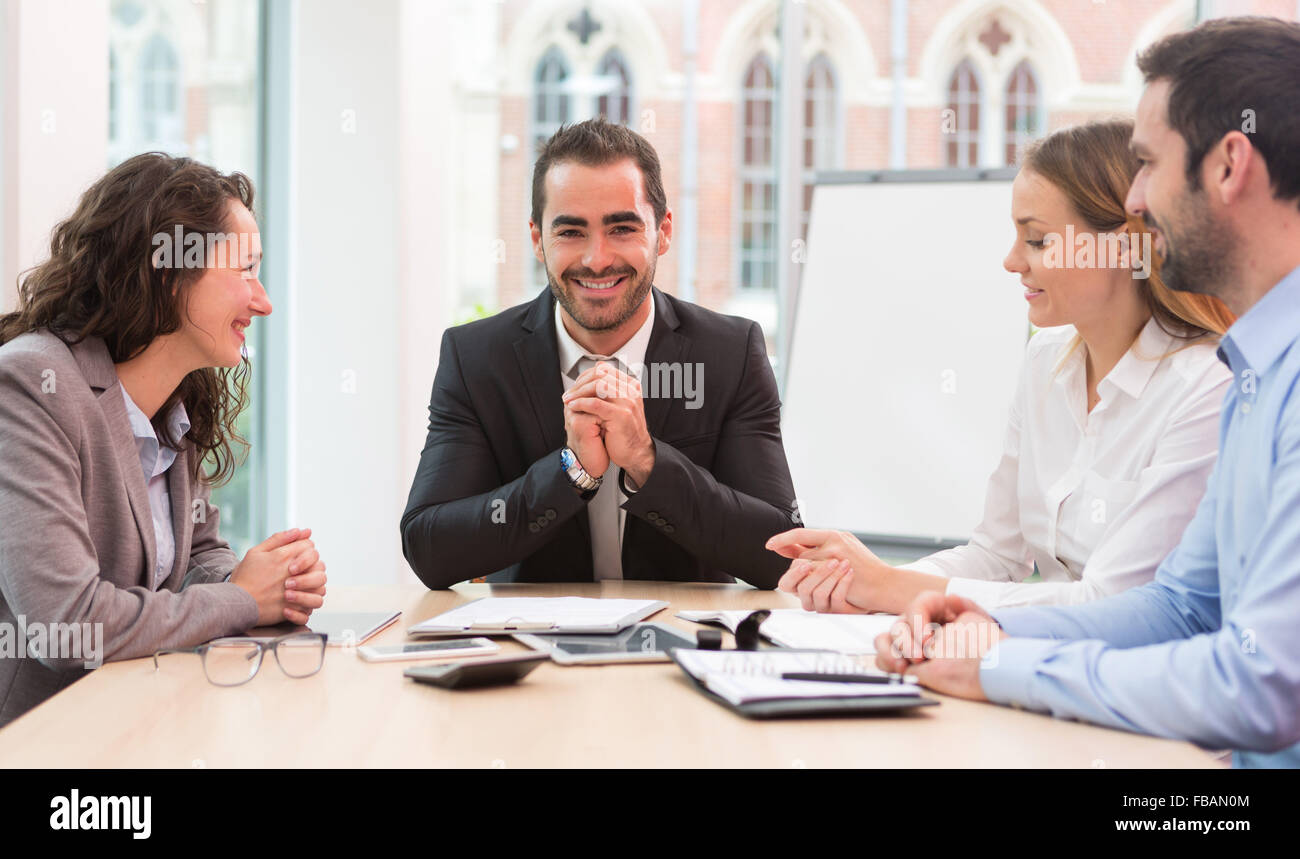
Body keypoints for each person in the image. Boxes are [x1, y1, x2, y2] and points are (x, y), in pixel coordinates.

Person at [874, 16, 1300, 769]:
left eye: (1146, 163)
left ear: (1230, 163)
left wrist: (1001, 667)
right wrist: (980, 627)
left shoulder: (1248, 377)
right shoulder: (1256, 370)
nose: (1135, 199)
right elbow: (1180, 607)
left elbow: (1264, 682)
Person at [768, 119, 1234, 614]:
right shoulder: (1045, 361)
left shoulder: (1205, 389)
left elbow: (1114, 602)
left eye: (1036, 240)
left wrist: (889, 587)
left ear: (1119, 246)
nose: (1012, 261)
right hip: (1038, 660)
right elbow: (995, 555)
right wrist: (865, 585)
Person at [0, 153, 327, 727]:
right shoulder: (31, 386)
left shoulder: (174, 398)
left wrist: (265, 578)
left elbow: (197, 554)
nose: (264, 300)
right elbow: (68, 623)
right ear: (170, 273)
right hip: (41, 743)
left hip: (141, 722)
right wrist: (243, 598)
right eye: (245, 270)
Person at [401, 118, 798, 587]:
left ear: (663, 232)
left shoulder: (730, 353)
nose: (596, 259)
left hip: (679, 647)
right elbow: (430, 549)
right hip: (533, 650)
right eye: (571, 232)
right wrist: (571, 472)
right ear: (537, 239)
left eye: (622, 228)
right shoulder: (477, 358)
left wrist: (648, 461)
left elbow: (778, 551)